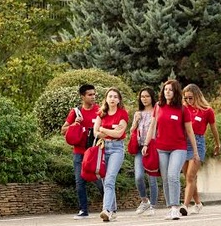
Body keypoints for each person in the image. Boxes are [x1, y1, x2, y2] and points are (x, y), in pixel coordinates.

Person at [145, 79, 199, 221]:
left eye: (170, 89)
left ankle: (175, 207)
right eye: (165, 89)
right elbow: (152, 126)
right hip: (161, 148)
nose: (167, 92)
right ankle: (170, 207)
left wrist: (195, 151)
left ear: (175, 92)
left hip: (179, 148)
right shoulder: (158, 106)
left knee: (172, 175)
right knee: (165, 179)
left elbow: (189, 131)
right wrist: (146, 144)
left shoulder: (183, 109)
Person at [61, 84, 102, 220]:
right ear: (82, 96)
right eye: (90, 95)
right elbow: (63, 130)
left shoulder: (99, 111)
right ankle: (83, 210)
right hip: (79, 151)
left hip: (94, 152)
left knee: (97, 179)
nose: (93, 97)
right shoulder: (76, 112)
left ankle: (110, 206)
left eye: (94, 94)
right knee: (80, 182)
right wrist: (74, 124)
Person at [181, 83, 220, 214]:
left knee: (191, 176)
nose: (188, 101)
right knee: (187, 176)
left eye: (190, 98)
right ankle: (198, 203)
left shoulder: (207, 111)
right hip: (183, 143)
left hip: (198, 143)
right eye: (185, 98)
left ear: (197, 96)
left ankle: (185, 206)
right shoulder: (183, 109)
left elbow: (214, 129)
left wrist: (217, 144)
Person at [94, 87, 128, 222]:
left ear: (119, 99)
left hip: (116, 149)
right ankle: (113, 210)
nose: (112, 99)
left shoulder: (122, 114)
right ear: (106, 99)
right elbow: (95, 132)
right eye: (110, 96)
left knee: (109, 179)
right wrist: (106, 131)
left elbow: (119, 133)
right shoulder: (101, 113)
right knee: (105, 180)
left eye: (115, 96)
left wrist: (103, 129)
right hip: (103, 148)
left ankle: (106, 210)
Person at [130, 87, 158, 216]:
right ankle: (144, 200)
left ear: (152, 97)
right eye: (142, 97)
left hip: (153, 147)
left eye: (147, 96)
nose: (144, 99)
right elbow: (132, 131)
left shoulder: (157, 111)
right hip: (139, 148)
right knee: (139, 177)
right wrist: (135, 120)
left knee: (152, 179)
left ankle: (152, 206)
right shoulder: (138, 113)